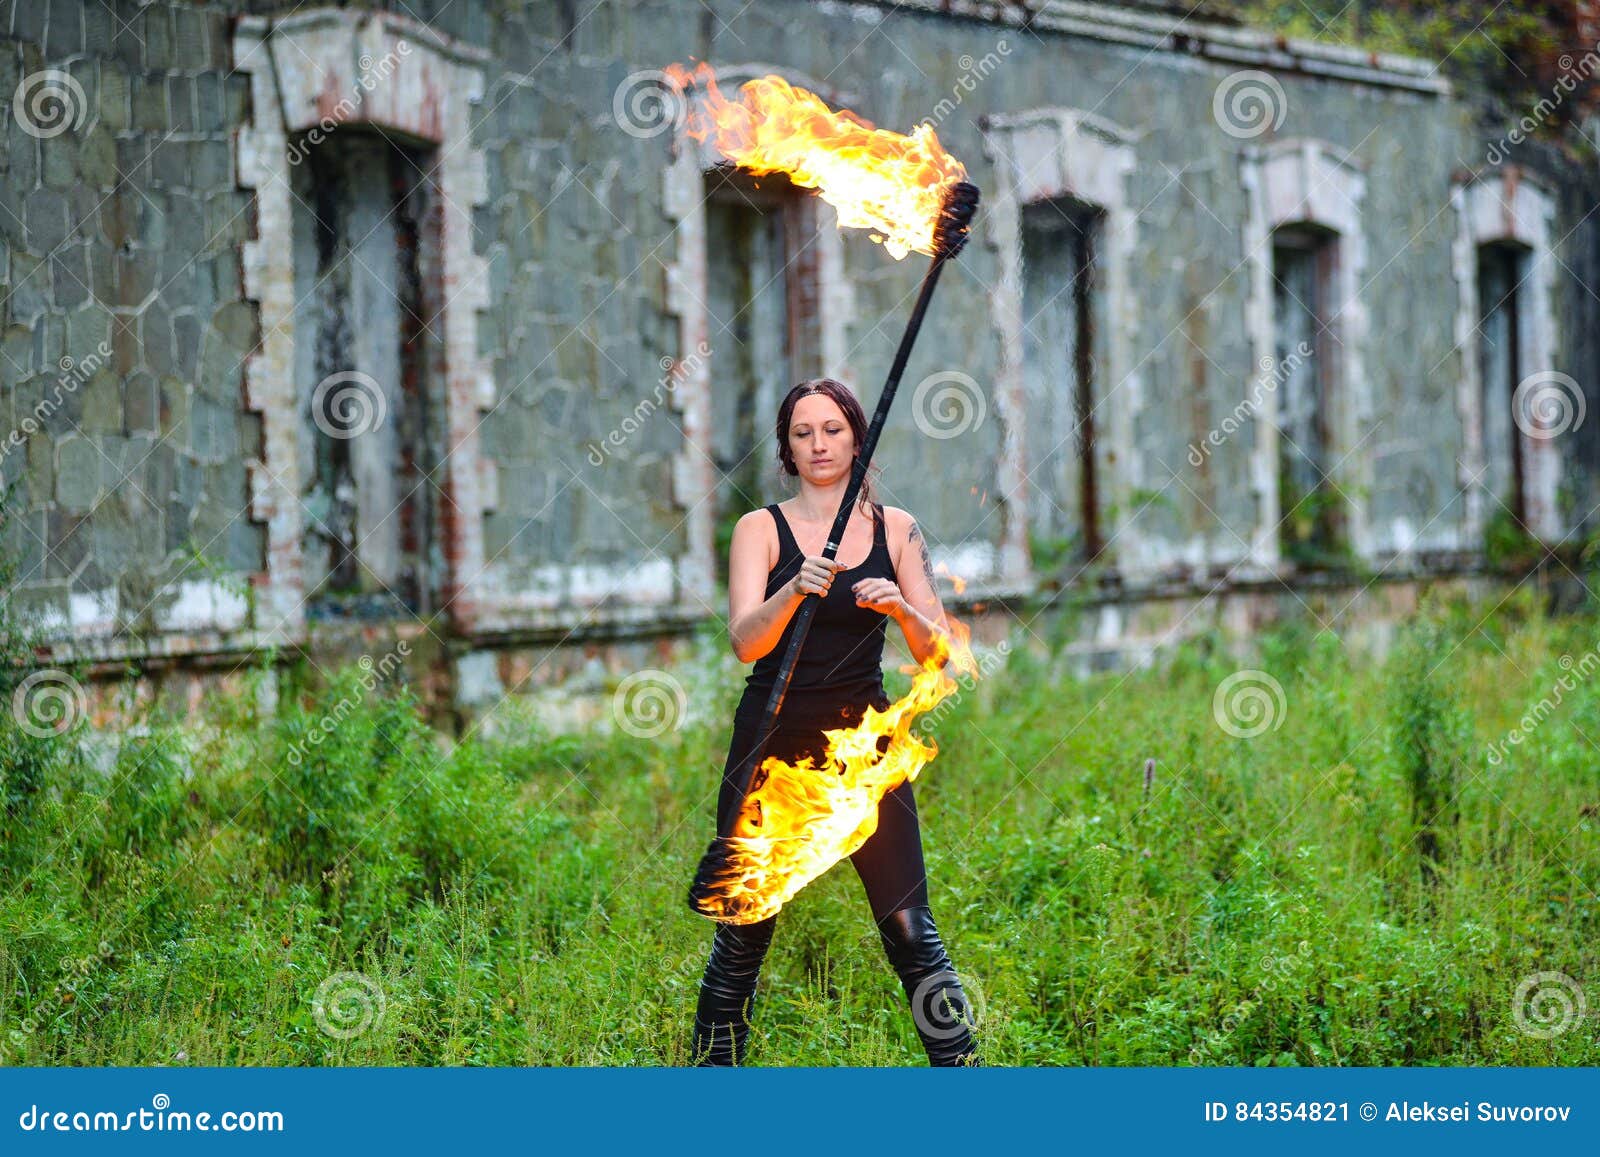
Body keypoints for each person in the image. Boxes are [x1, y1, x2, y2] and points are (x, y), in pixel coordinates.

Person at [690, 377, 981, 1067]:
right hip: (772, 742)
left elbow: (941, 653)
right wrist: (793, 588)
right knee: (744, 928)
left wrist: (903, 612)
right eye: (802, 432)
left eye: (832, 429)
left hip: (868, 749)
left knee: (910, 926)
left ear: (857, 437)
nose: (819, 444)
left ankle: (965, 1078)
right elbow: (745, 642)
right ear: (787, 448)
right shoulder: (760, 529)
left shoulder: (897, 528)